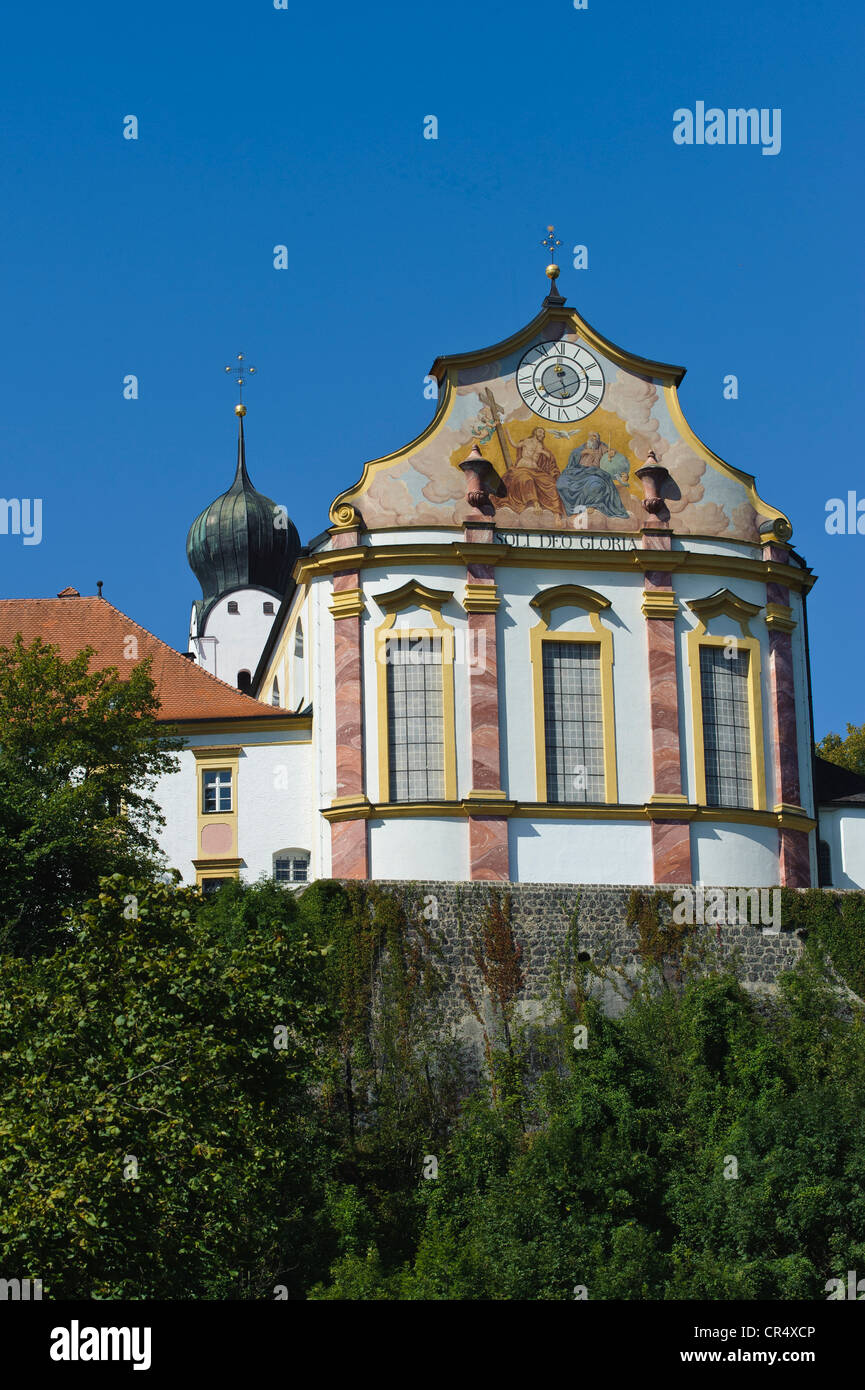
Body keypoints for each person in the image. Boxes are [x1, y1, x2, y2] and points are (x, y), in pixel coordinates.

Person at [494, 426, 564, 516]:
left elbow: (549, 458)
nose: (542, 434)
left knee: (551, 483)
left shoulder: (540, 446)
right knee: (527, 480)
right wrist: (508, 435)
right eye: (540, 432)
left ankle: (556, 513)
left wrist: (544, 453)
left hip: (536, 470)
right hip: (522, 468)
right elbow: (515, 445)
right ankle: (536, 504)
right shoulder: (526, 441)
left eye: (543, 433)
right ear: (535, 432)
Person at [556, 435, 631, 520]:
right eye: (591, 437)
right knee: (561, 482)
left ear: (598, 440)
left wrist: (613, 453)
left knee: (596, 484)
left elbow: (612, 457)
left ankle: (590, 505)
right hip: (577, 472)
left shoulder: (601, 447)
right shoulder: (581, 449)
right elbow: (572, 461)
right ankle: (572, 511)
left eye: (595, 437)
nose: (593, 438)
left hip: (593, 473)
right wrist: (583, 452)